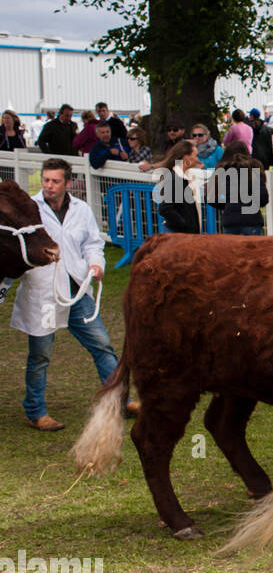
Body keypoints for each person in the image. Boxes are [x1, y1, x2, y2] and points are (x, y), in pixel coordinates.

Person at [9, 159, 135, 431]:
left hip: (78, 289)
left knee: (101, 345)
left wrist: (96, 264)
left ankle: (121, 401)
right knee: (40, 355)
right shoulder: (29, 209)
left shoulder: (81, 209)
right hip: (43, 292)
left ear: (68, 183)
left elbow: (93, 242)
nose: (49, 186)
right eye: (45, 180)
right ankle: (35, 411)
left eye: (55, 181)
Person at [207, 142, 267, 235]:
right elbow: (263, 197)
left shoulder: (220, 170)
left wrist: (227, 204)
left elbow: (212, 198)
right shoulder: (254, 168)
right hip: (251, 219)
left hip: (230, 220)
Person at [152, 140, 203, 232]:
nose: (197, 159)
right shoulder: (174, 178)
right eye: (195, 155)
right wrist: (184, 224)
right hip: (177, 234)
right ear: (185, 157)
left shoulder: (185, 178)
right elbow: (165, 208)